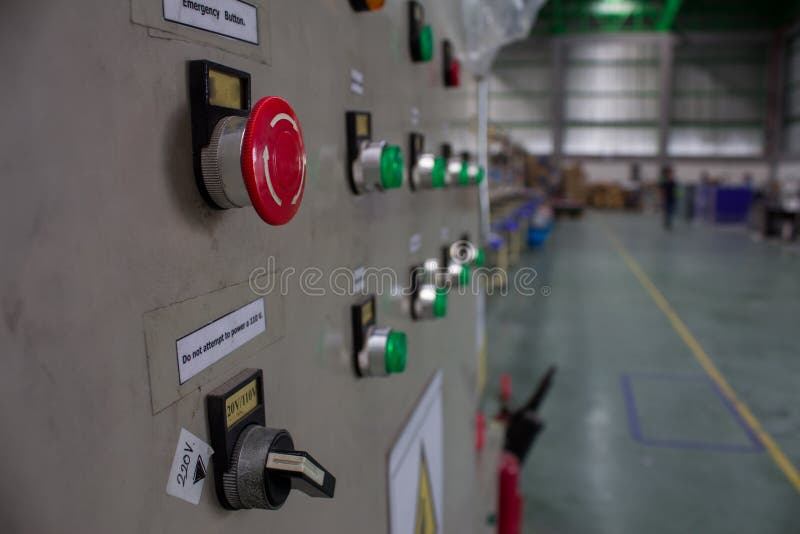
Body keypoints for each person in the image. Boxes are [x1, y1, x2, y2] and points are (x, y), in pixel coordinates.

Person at [659, 165, 677, 230]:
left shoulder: (672, 181)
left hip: (672, 198)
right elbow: (662, 190)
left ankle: (668, 222)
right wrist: (662, 199)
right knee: (667, 211)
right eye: (669, 172)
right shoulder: (664, 181)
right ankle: (667, 223)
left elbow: (675, 189)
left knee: (671, 211)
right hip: (666, 198)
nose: (670, 174)